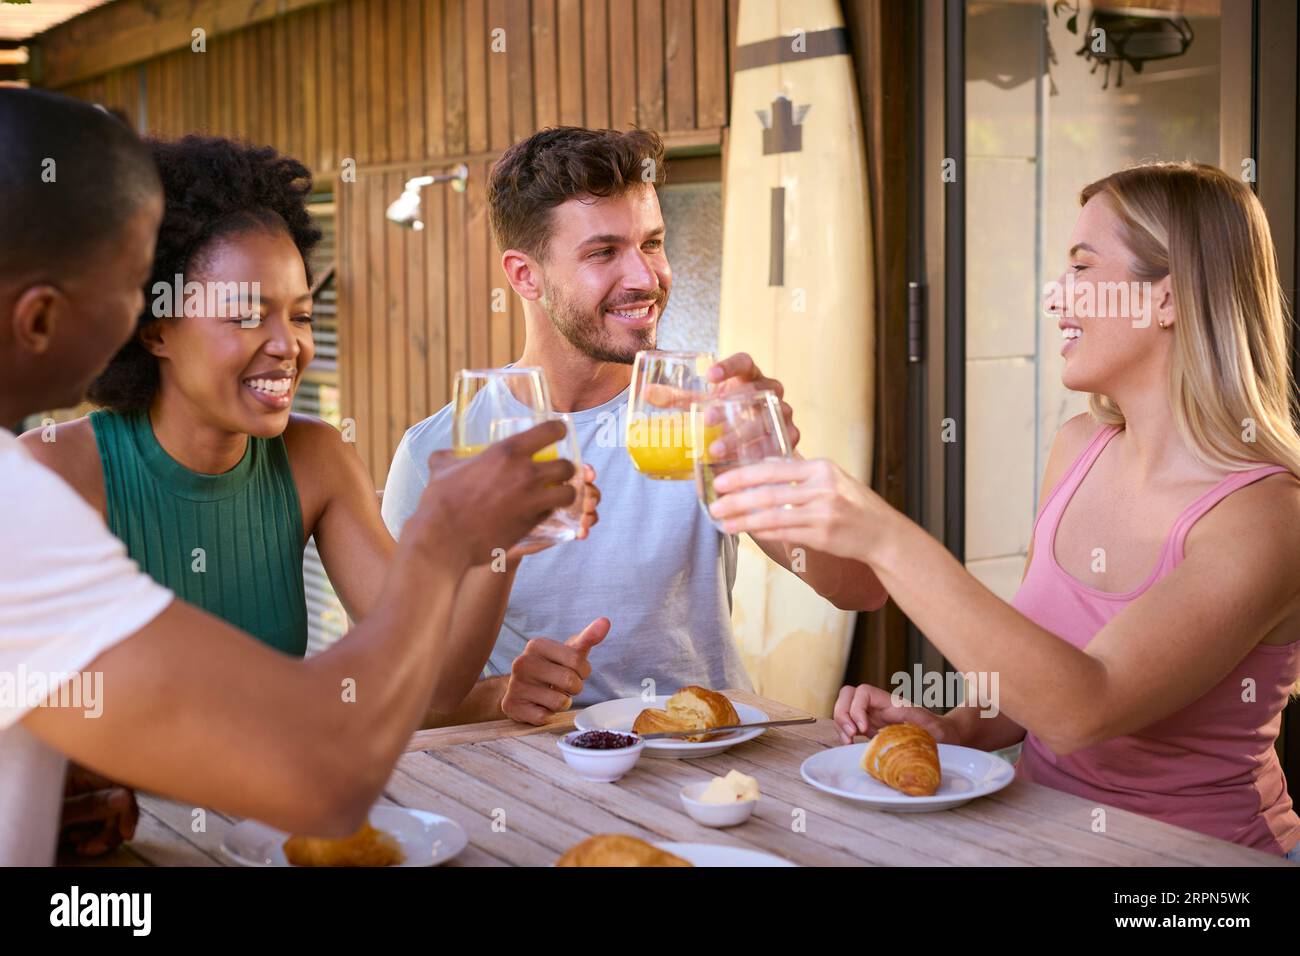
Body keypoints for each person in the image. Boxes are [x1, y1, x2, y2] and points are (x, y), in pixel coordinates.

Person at [0, 87, 575, 865]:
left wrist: (499, 542)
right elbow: (323, 770)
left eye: (302, 314)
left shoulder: (309, 458)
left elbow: (421, 689)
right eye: (130, 284)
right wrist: (443, 542)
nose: (288, 345)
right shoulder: (32, 493)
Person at [709, 162, 1300, 858]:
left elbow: (1085, 706)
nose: (1057, 298)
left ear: (1166, 299)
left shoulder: (1269, 515)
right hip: (1042, 838)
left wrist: (884, 537)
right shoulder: (1080, 447)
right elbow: (1040, 675)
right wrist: (954, 729)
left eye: (1082, 269)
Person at [382, 126, 888, 726]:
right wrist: (497, 695)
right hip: (531, 781)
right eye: (603, 253)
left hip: (705, 768)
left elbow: (860, 589)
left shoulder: (703, 416)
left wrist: (776, 464)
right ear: (525, 276)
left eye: (652, 243)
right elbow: (401, 696)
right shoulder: (438, 451)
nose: (646, 278)